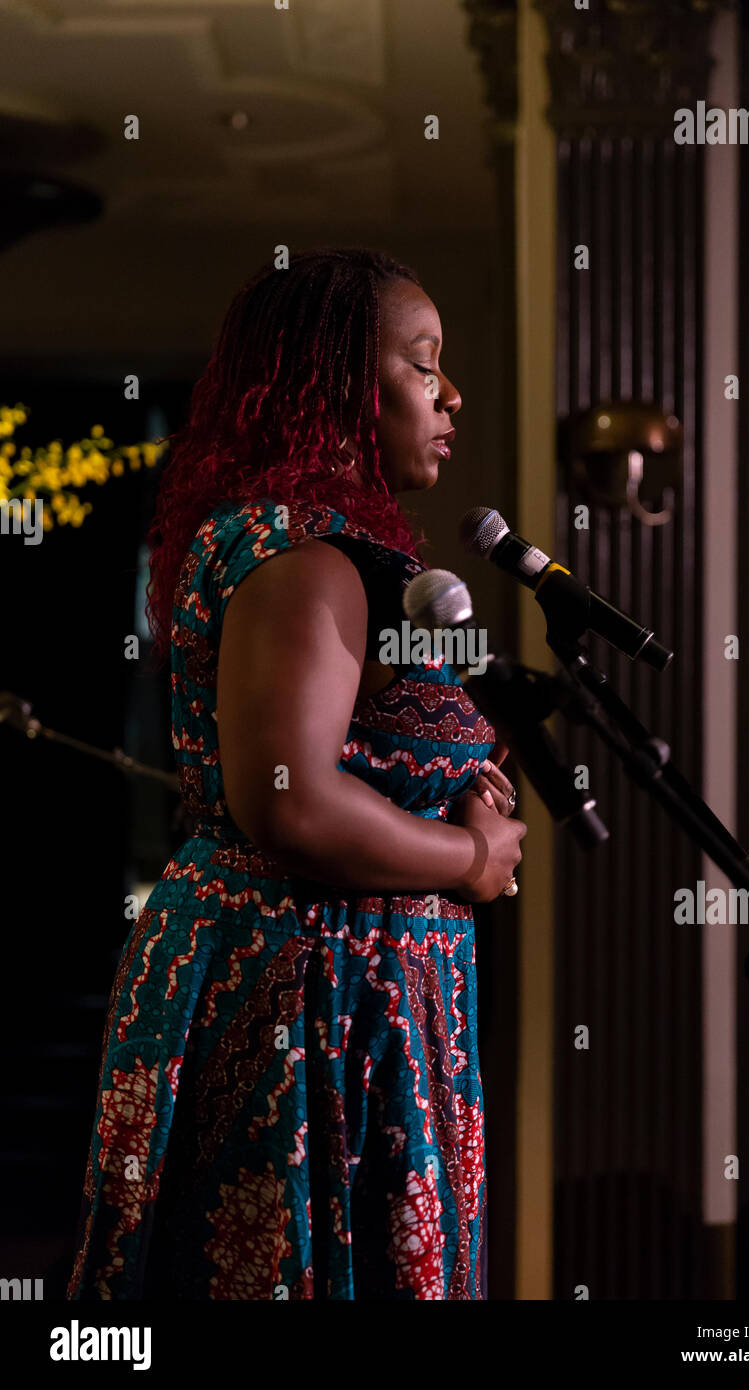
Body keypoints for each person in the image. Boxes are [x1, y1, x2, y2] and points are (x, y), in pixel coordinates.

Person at [66, 248, 526, 1301]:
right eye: (420, 366)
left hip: (349, 993)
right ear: (337, 387)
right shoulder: (301, 556)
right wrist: (469, 853)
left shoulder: (319, 546)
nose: (450, 394)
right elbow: (289, 800)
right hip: (306, 1000)